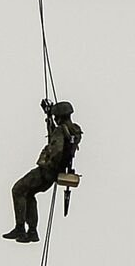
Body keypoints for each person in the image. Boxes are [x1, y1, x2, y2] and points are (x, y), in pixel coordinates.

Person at [5, 99, 81, 243]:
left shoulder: (61, 130)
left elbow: (56, 148)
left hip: (46, 171)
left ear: (59, 117)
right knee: (29, 194)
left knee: (18, 189)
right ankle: (32, 232)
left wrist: (48, 164)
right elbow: (58, 140)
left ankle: (20, 228)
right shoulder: (73, 131)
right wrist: (49, 118)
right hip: (53, 175)